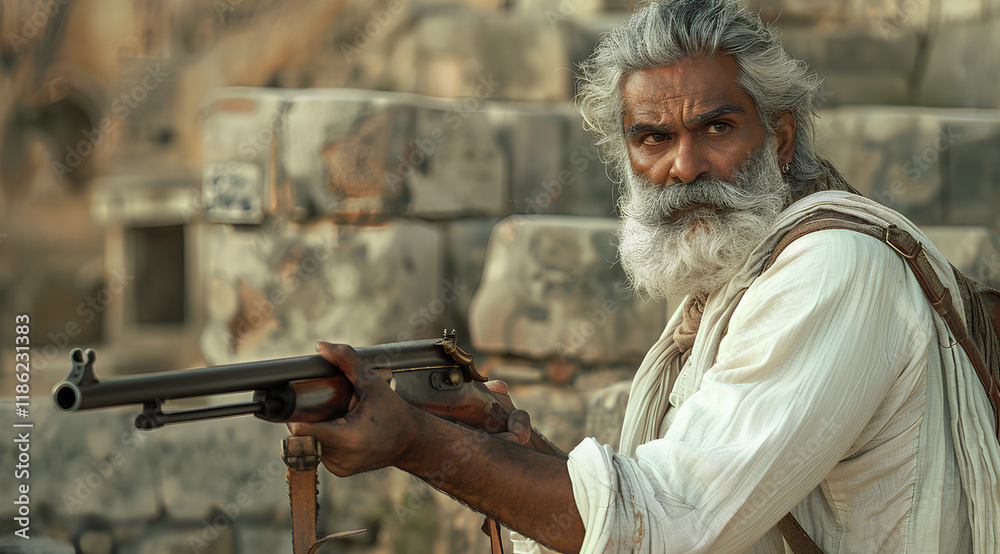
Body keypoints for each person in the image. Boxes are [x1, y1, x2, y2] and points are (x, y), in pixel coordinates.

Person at [288, 0, 1000, 552]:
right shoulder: (732, 275)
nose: (684, 168)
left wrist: (418, 442)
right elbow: (675, 499)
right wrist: (514, 449)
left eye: (717, 129)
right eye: (653, 138)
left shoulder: (831, 269)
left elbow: (674, 525)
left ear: (778, 139)